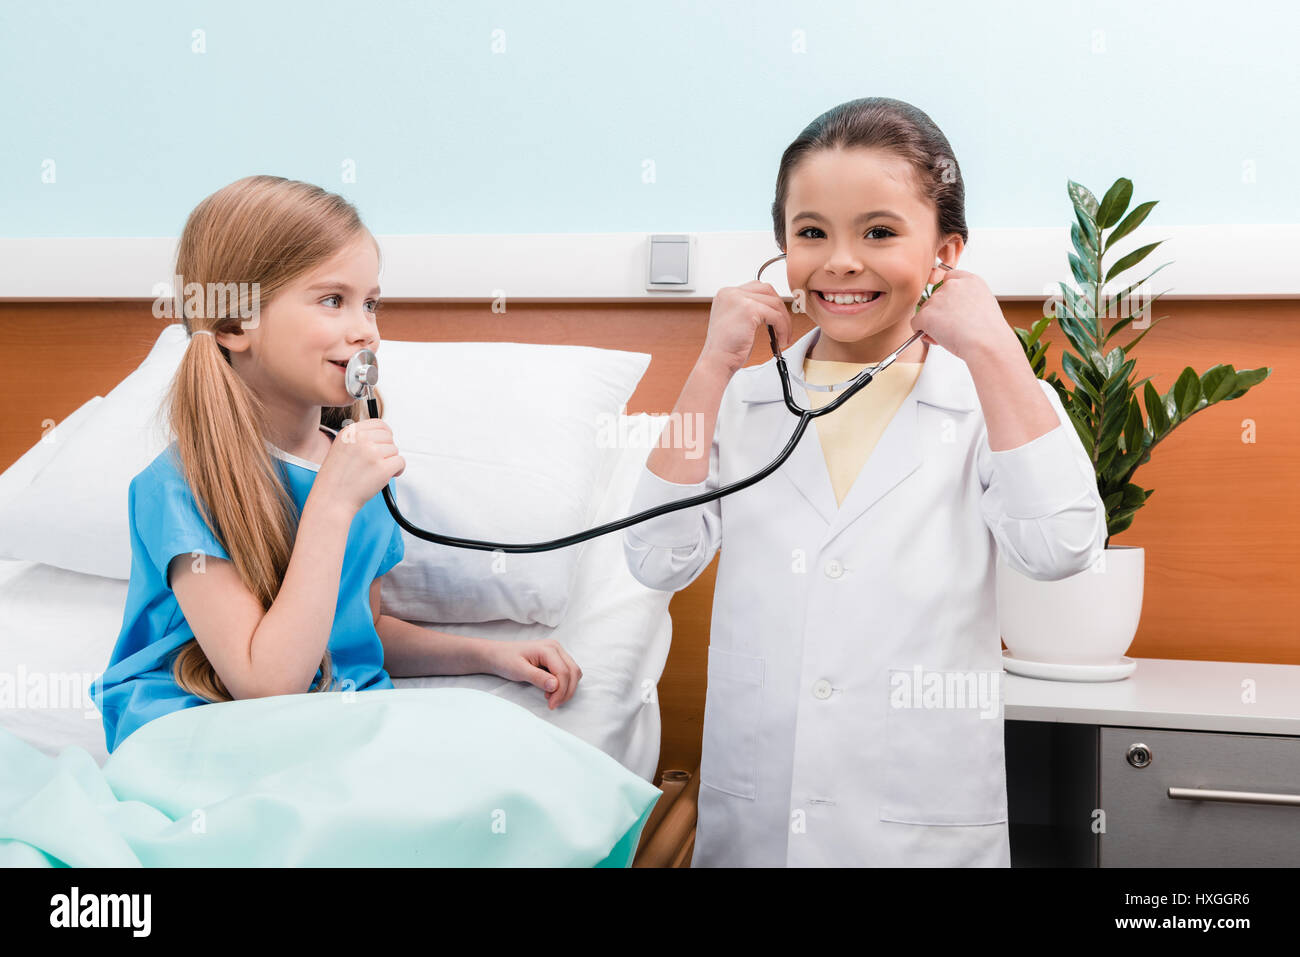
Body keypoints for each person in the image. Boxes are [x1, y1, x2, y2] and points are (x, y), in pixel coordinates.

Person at [623, 97, 1106, 866]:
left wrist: (996, 351)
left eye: (879, 232)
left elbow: (1063, 545)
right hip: (761, 819)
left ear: (947, 253)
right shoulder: (743, 397)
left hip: (919, 822)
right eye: (810, 233)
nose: (840, 261)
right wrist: (712, 364)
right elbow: (653, 555)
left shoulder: (990, 396)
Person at [92, 176, 581, 754]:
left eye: (370, 302)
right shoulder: (178, 489)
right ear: (231, 325)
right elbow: (267, 685)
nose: (365, 329)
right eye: (333, 300)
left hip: (333, 715)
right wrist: (331, 502)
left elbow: (355, 631)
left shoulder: (348, 465)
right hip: (206, 732)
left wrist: (489, 655)